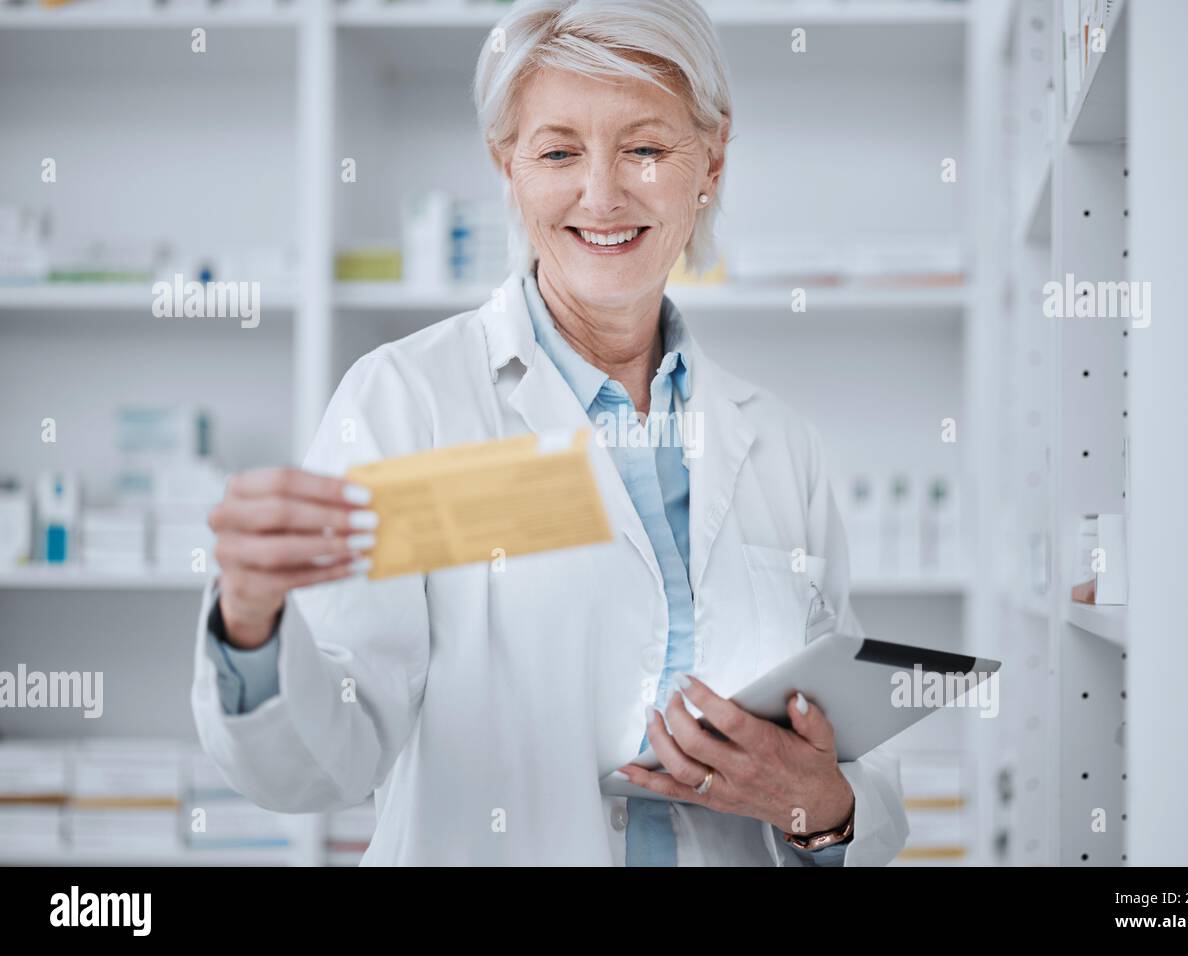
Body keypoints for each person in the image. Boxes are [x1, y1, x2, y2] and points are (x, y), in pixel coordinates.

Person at [194, 0, 908, 866]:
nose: (601, 196)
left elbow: (861, 778)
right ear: (508, 165)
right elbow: (324, 761)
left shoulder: (781, 447)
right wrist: (253, 625)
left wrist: (819, 808)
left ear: (711, 160)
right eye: (559, 151)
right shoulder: (405, 403)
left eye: (645, 149)